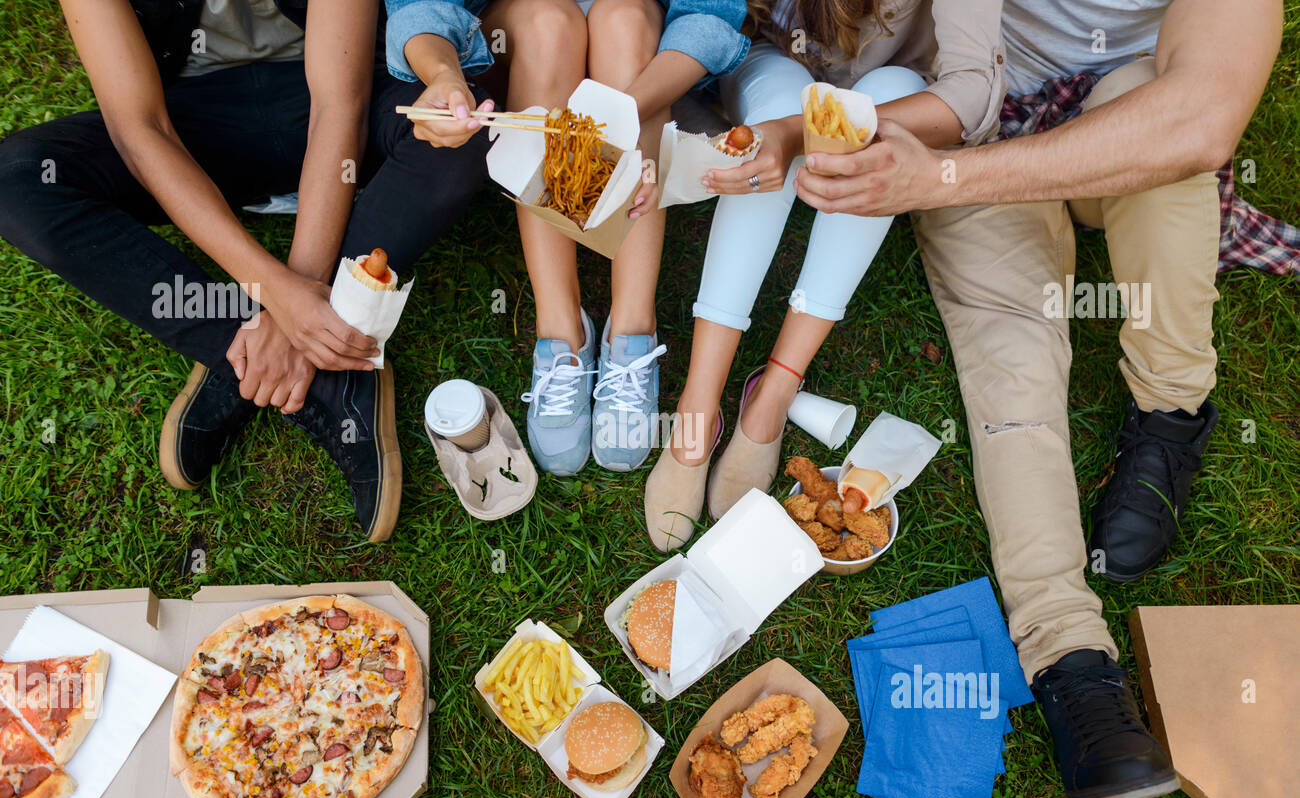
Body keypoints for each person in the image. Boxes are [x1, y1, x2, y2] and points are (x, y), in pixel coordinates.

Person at [795, 0, 1291, 798]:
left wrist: (943, 177)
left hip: (1129, 118)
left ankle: (1169, 414)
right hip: (987, 109)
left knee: (1163, 139)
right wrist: (952, 163)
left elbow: (1200, 120)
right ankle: (1070, 657)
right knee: (1011, 369)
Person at [0, 0, 491, 542]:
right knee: (18, 180)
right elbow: (140, 129)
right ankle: (259, 350)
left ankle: (294, 348)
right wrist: (275, 294)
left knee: (459, 140)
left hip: (343, 101)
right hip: (193, 123)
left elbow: (338, 104)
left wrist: (293, 309)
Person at [642, 0, 1005, 552]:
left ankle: (774, 394)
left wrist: (803, 134)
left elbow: (974, 89)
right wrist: (773, 130)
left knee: (879, 107)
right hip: (769, 70)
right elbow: (707, 20)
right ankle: (699, 402)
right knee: (785, 99)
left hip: (895, 92)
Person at [386, 0, 750, 475]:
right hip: (518, 44)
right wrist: (443, 74)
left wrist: (616, 117)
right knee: (549, 21)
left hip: (644, 58)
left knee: (626, 17)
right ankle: (560, 329)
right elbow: (422, 6)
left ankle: (633, 328)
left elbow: (707, 17)